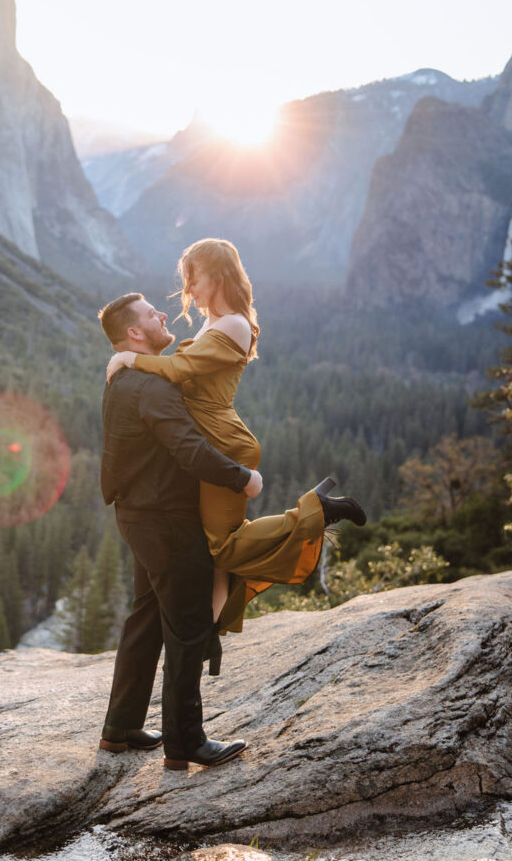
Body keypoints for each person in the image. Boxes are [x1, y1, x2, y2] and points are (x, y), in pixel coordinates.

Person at [106, 238, 366, 651]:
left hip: (225, 445)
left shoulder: (235, 325)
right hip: (214, 440)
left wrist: (129, 359)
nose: (187, 287)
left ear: (218, 275)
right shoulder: (215, 322)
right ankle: (212, 628)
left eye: (193, 276)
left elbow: (181, 367)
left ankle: (318, 510)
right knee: (218, 552)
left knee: (224, 546)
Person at [97, 291, 263, 770]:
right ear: (134, 333)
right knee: (188, 630)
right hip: (167, 522)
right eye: (153, 313)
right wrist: (243, 479)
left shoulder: (125, 377)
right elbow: (190, 450)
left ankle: (120, 728)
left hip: (137, 516)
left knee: (146, 619)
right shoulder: (152, 387)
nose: (163, 314)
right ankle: (186, 743)